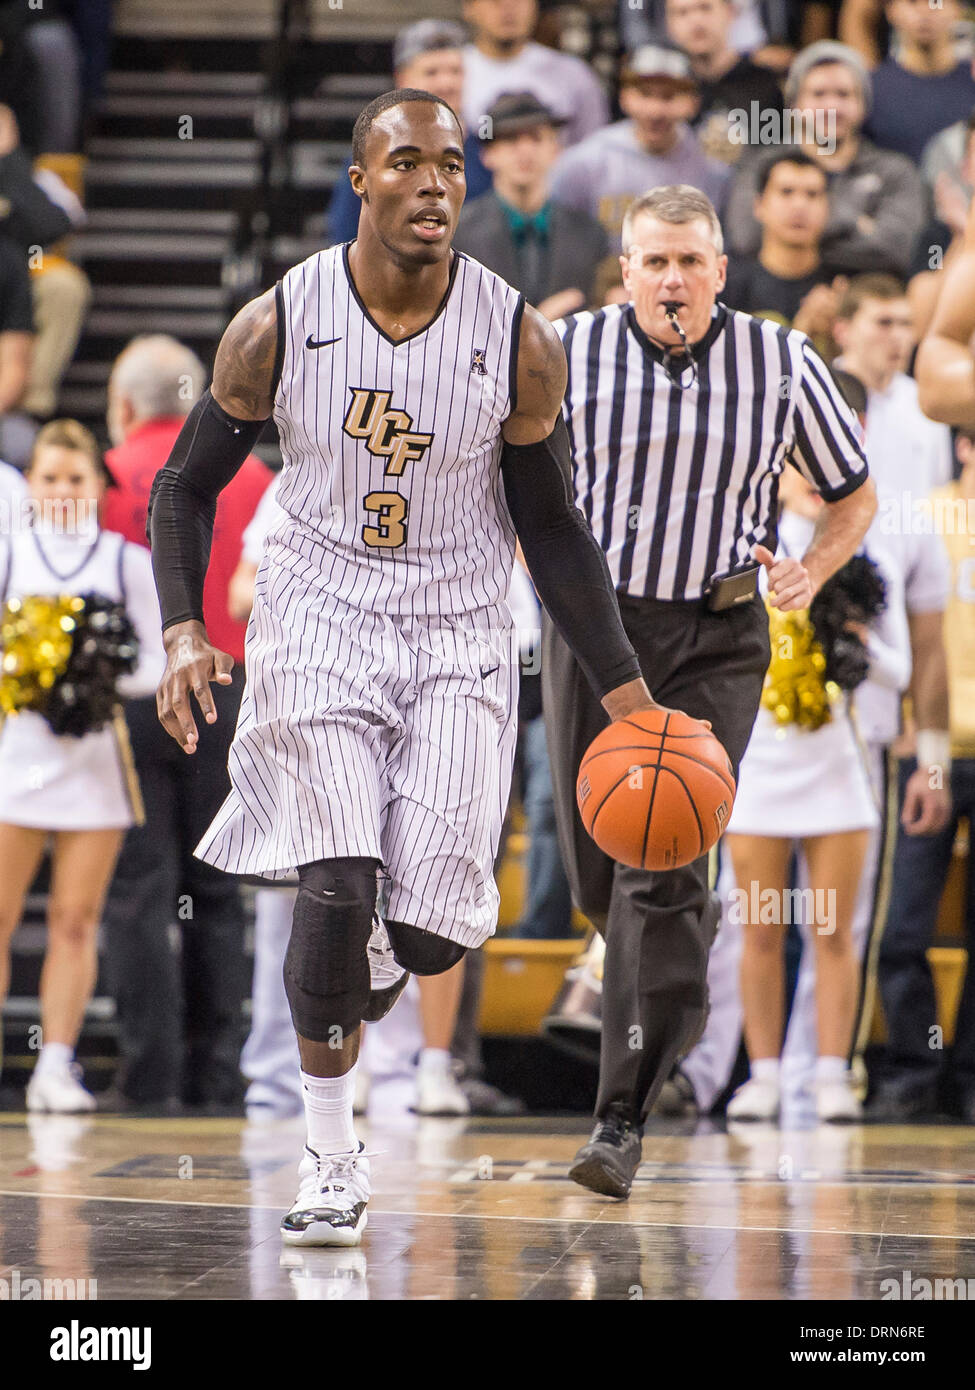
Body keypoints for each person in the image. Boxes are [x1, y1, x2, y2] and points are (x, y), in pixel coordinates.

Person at [147, 88, 663, 1245]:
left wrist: (626, 690)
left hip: (459, 627)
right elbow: (182, 489)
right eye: (409, 164)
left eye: (451, 167)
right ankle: (331, 1158)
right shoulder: (277, 322)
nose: (435, 184)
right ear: (362, 176)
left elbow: (555, 526)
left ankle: (369, 954)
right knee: (334, 888)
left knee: (429, 935)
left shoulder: (517, 338)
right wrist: (185, 626)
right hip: (319, 610)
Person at [543, 183, 876, 1198]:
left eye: (691, 260)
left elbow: (854, 492)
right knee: (598, 877)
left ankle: (623, 1116)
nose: (674, 278)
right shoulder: (569, 352)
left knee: (665, 860)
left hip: (720, 631)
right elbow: (515, 475)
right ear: (627, 271)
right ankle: (645, 1006)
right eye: (655, 261)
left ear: (721, 270)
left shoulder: (781, 362)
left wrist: (809, 573)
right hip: (599, 631)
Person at [99, 335, 272, 1112]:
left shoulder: (110, 480)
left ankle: (150, 1076)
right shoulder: (256, 474)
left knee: (141, 889)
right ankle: (218, 1074)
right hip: (230, 692)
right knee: (218, 888)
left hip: (136, 698)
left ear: (124, 404)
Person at [721, 465, 900, 1125]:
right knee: (757, 932)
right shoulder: (738, 561)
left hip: (832, 768)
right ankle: (762, 1075)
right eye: (794, 470)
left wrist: (855, 648)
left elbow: (900, 666)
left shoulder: (857, 561)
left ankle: (829, 1075)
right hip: (759, 767)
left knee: (831, 931)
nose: (808, 482)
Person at [0, 420, 164, 1111]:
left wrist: (94, 678)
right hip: (15, 759)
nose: (63, 490)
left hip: (95, 763)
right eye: (49, 477)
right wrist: (29, 670)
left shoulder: (125, 561)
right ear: (29, 485)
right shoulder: (8, 554)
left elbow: (157, 663)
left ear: (99, 487)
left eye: (76, 478)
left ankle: (55, 1066)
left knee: (75, 919)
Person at [872, 430, 975, 1121]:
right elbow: (909, 629)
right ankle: (911, 1071)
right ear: (963, 442)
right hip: (929, 748)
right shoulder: (923, 514)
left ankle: (965, 1077)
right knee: (902, 926)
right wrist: (921, 746)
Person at [724, 41, 927, 278]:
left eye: (843, 94)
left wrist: (791, 238)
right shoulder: (760, 164)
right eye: (818, 94)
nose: (831, 107)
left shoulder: (895, 171)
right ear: (795, 104)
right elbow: (746, 238)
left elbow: (895, 251)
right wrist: (856, 224)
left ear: (864, 105)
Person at [327, 20, 490, 247]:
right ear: (402, 79)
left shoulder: (489, 150)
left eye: (455, 71)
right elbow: (347, 238)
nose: (447, 83)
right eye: (431, 72)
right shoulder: (372, 153)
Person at [453, 92, 609, 322]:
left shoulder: (589, 234)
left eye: (536, 138)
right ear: (487, 154)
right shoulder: (458, 235)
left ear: (556, 150)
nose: (525, 151)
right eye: (510, 139)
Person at [550, 46, 731, 241]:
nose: (655, 111)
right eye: (645, 94)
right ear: (624, 97)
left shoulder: (711, 169)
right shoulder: (585, 162)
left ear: (693, 103)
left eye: (668, 97)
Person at [721, 148, 847, 353]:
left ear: (828, 208)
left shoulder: (841, 287)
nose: (799, 205)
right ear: (759, 205)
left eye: (812, 194)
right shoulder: (727, 286)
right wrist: (803, 332)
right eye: (786, 192)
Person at [461, 0, 609, 149]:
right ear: (468, 8)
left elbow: (593, 154)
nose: (508, 8)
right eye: (495, 1)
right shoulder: (447, 74)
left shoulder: (573, 74)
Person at [664, 0, 785, 164]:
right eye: (682, 12)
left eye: (705, 8)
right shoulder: (665, 89)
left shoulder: (765, 83)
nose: (695, 20)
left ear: (730, 12)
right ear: (669, 25)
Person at [864, 0, 975, 164]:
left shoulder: (972, 83)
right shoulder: (871, 89)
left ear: (957, 9)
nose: (925, 11)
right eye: (912, 2)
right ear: (891, 10)